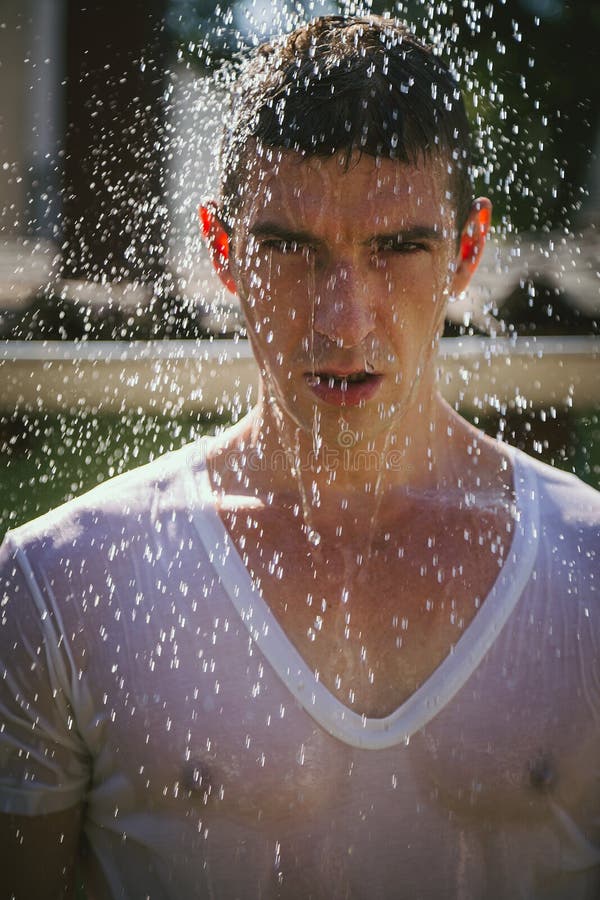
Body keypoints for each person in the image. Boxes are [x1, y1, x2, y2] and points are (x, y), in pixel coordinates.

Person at [1, 14, 599, 900]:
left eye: (398, 248)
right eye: (289, 248)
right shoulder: (60, 583)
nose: (342, 320)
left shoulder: (588, 569)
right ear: (223, 250)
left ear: (467, 251)